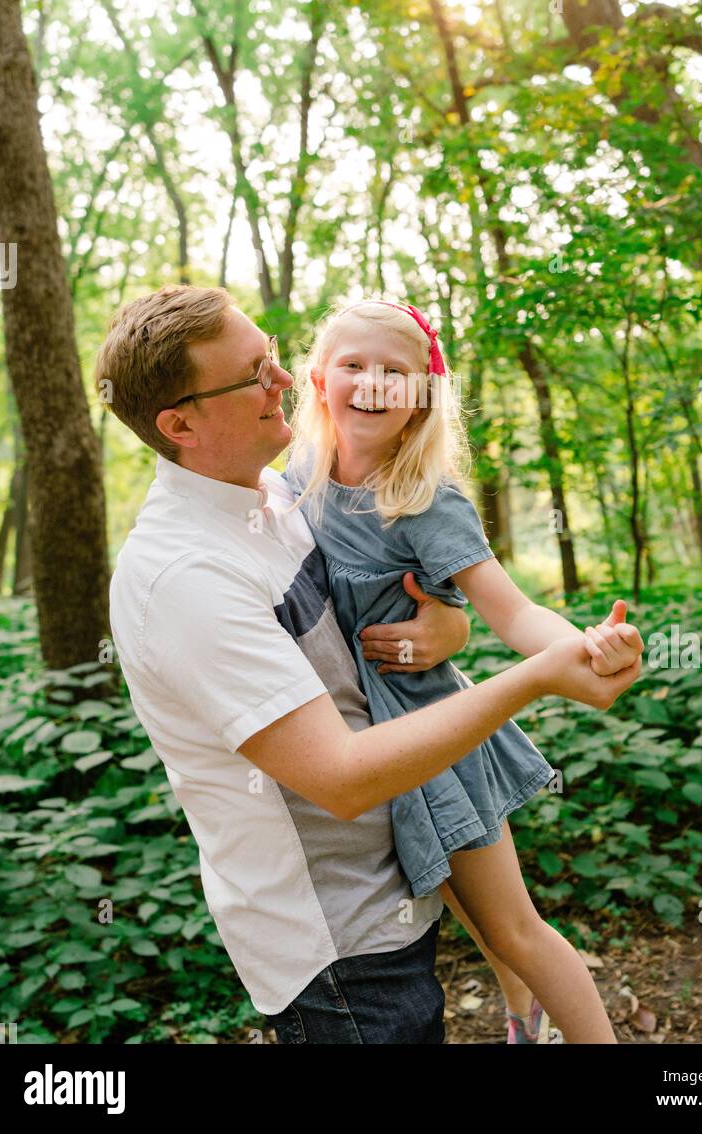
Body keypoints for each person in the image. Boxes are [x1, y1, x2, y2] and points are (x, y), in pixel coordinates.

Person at [96, 284, 641, 1045]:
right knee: (495, 925)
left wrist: (496, 636)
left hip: (412, 801)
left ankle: (551, 1025)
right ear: (179, 422)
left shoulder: (302, 494)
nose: (280, 383)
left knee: (507, 926)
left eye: (276, 362)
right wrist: (532, 674)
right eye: (256, 374)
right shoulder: (218, 546)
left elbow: (484, 607)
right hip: (338, 918)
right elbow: (342, 773)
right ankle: (531, 1017)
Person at [284, 298, 644, 1043]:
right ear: (319, 379)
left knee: (511, 925)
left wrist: (582, 646)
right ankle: (523, 1015)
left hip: (433, 740)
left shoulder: (423, 499)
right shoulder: (297, 475)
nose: (374, 383)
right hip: (359, 743)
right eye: (354, 365)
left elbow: (508, 613)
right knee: (463, 908)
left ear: (421, 397)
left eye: (396, 371)